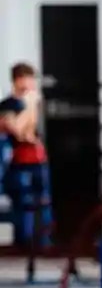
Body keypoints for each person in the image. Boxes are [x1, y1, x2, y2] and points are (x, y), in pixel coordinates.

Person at [0, 62, 53, 258]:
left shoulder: (37, 102)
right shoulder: (9, 105)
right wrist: (28, 107)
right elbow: (19, 131)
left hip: (39, 159)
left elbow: (32, 132)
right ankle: (24, 244)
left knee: (44, 202)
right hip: (19, 161)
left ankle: (44, 243)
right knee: (23, 206)